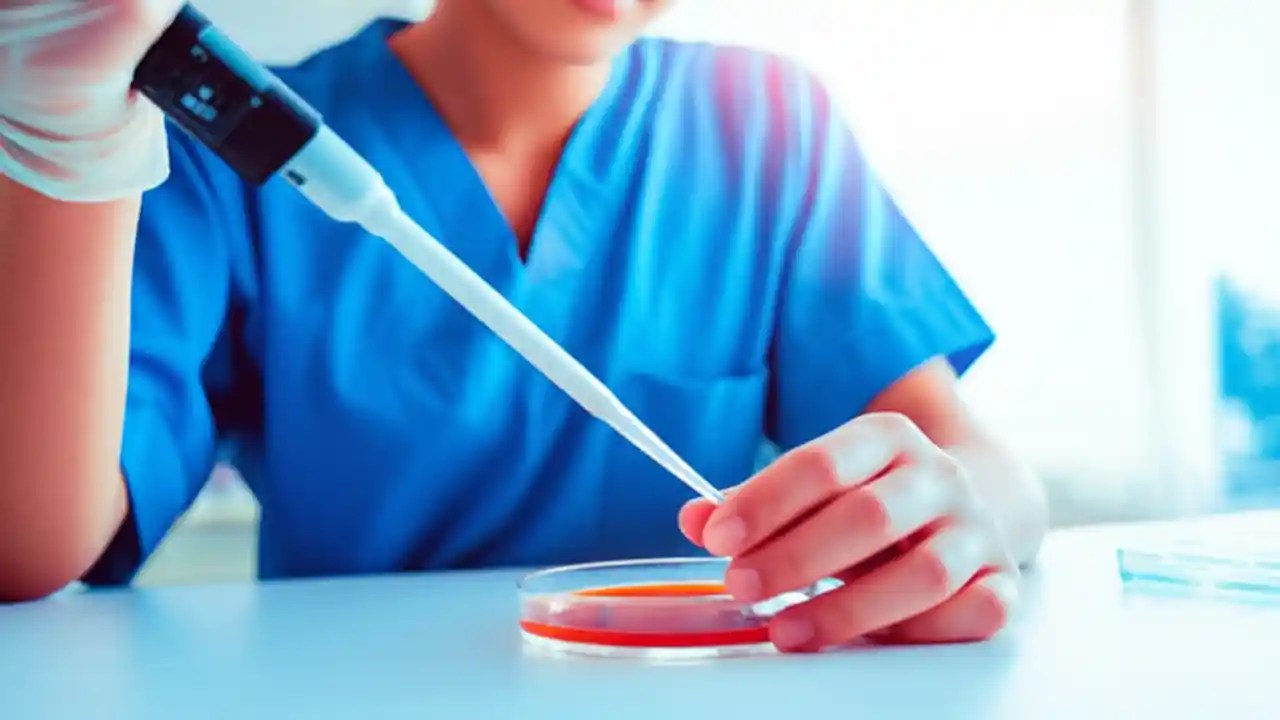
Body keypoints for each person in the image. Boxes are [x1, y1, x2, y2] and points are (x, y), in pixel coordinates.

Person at [0, 0, 1047, 651]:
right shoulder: (224, 163)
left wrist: (965, 517)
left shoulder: (764, 120)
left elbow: (959, 455)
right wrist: (69, 135)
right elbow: (29, 548)